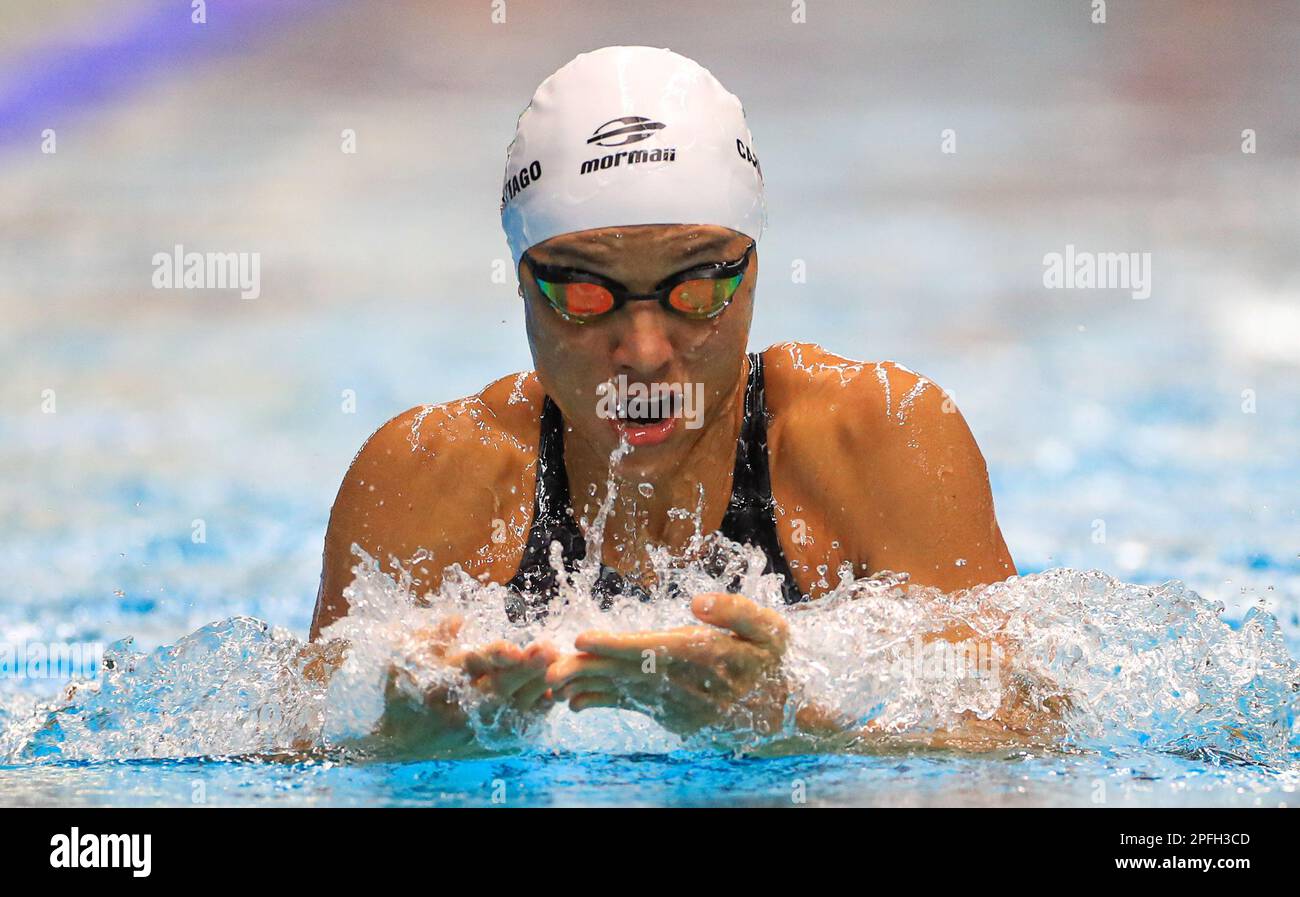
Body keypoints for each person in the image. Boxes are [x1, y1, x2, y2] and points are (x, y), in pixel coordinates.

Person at [309, 46, 1020, 752]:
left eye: (697, 288)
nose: (646, 351)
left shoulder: (882, 441)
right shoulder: (423, 481)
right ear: (525, 283)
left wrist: (787, 731)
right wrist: (408, 754)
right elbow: (306, 757)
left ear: (752, 270)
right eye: (587, 294)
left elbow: (1017, 749)